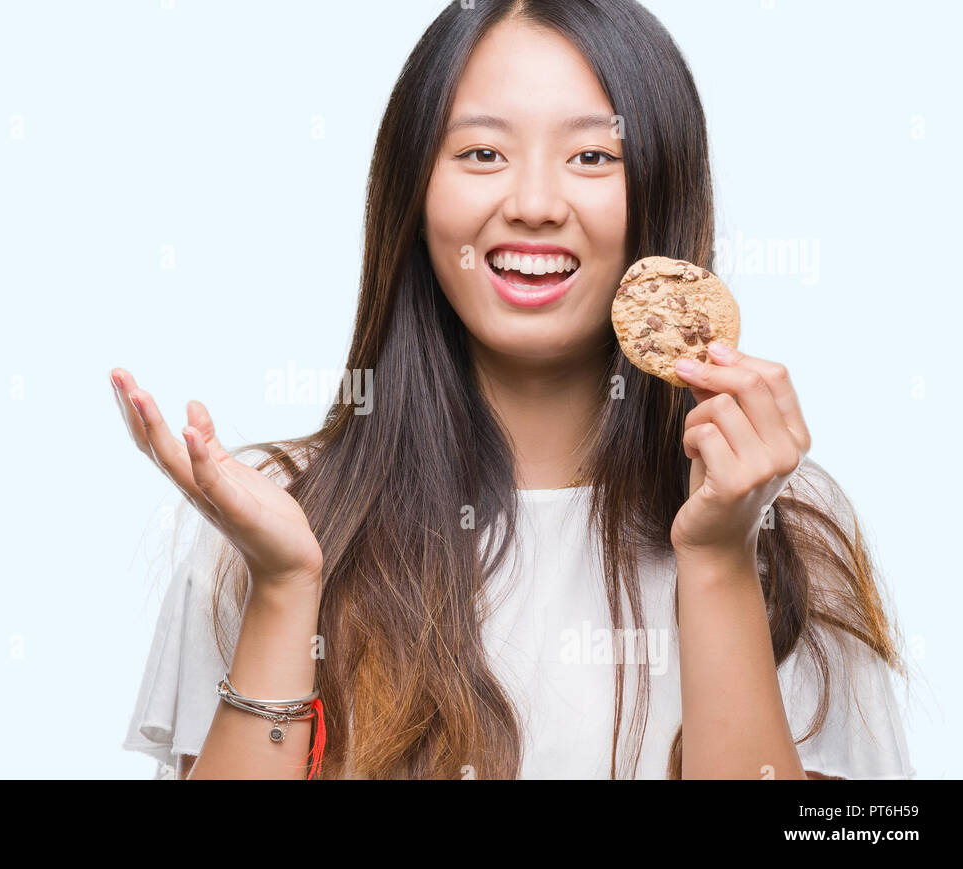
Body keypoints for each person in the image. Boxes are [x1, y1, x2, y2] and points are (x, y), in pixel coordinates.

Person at [114, 0, 915, 780]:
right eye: (482, 154)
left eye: (594, 157)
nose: (534, 205)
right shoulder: (272, 521)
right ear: (413, 195)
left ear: (662, 194)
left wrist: (718, 559)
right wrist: (285, 588)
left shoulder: (787, 527)